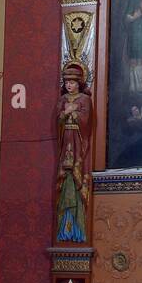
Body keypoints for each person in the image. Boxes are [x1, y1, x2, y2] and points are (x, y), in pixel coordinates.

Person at [55, 61, 92, 243]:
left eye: (72, 82)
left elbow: (86, 122)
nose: (69, 85)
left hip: (78, 141)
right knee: (65, 175)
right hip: (66, 140)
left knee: (76, 174)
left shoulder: (84, 100)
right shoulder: (62, 101)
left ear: (79, 83)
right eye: (66, 82)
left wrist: (74, 113)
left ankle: (77, 228)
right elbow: (58, 120)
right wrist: (65, 113)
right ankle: (64, 228)